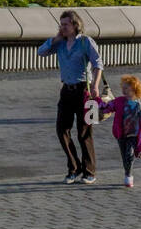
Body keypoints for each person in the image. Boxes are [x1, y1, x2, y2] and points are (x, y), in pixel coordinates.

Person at [37, 10, 103, 184]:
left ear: (75, 25)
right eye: (61, 24)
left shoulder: (85, 42)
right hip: (66, 90)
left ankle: (89, 171)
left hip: (85, 91)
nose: (62, 27)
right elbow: (41, 52)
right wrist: (55, 39)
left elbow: (98, 64)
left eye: (66, 24)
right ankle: (74, 168)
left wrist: (96, 85)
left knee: (85, 132)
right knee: (62, 129)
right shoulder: (59, 43)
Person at [98, 75, 141, 188]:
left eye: (127, 88)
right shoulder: (118, 101)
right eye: (123, 88)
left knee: (130, 154)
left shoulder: (138, 106)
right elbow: (107, 107)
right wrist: (98, 101)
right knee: (125, 156)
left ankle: (128, 176)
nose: (123, 90)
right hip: (120, 134)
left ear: (134, 89)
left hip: (134, 135)